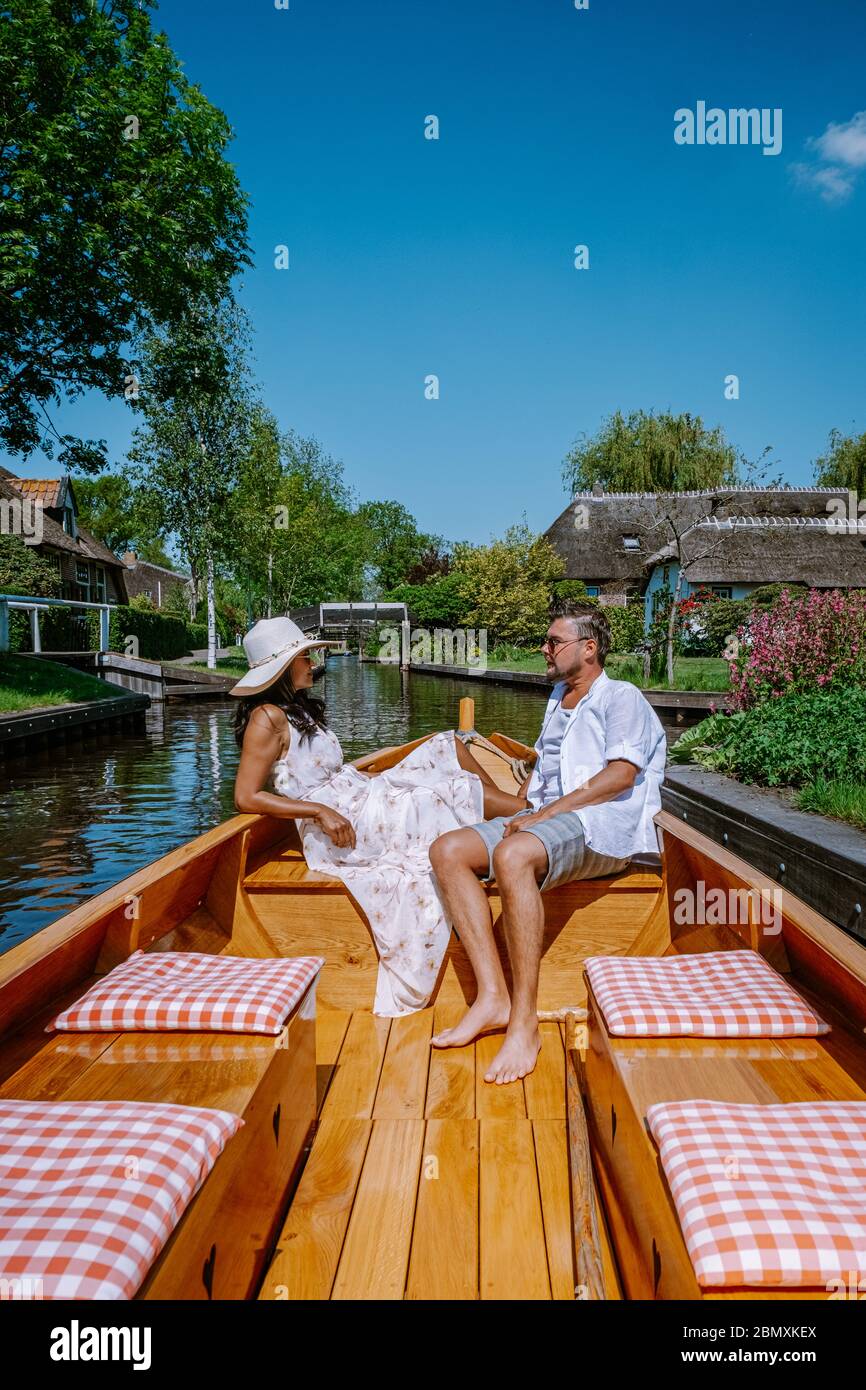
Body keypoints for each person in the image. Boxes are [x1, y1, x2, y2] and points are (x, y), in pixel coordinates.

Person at [231, 616, 528, 1017]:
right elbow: (246, 796)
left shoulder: (295, 709)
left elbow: (321, 771)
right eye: (304, 658)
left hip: (360, 799)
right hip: (342, 827)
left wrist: (370, 781)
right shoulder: (266, 717)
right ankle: (537, 814)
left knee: (444, 746)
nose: (312, 664)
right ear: (283, 667)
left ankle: (518, 811)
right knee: (449, 791)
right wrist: (318, 810)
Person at [429, 601, 666, 1085]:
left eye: (554, 641)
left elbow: (621, 775)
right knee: (447, 851)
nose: (545, 648)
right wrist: (524, 807)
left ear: (589, 647)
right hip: (549, 818)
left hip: (602, 823)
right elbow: (546, 769)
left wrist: (541, 815)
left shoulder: (622, 698)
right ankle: (492, 997)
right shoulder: (559, 697)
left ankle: (524, 1022)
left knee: (513, 854)